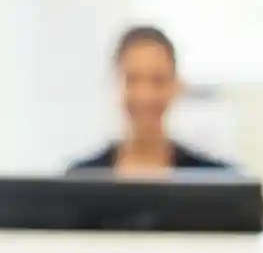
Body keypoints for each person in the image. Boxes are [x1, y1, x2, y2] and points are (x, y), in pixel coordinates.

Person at [71, 25, 229, 175]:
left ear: (176, 86)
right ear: (116, 84)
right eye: (132, 79)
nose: (145, 95)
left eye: (158, 80)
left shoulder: (214, 178)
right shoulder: (80, 179)